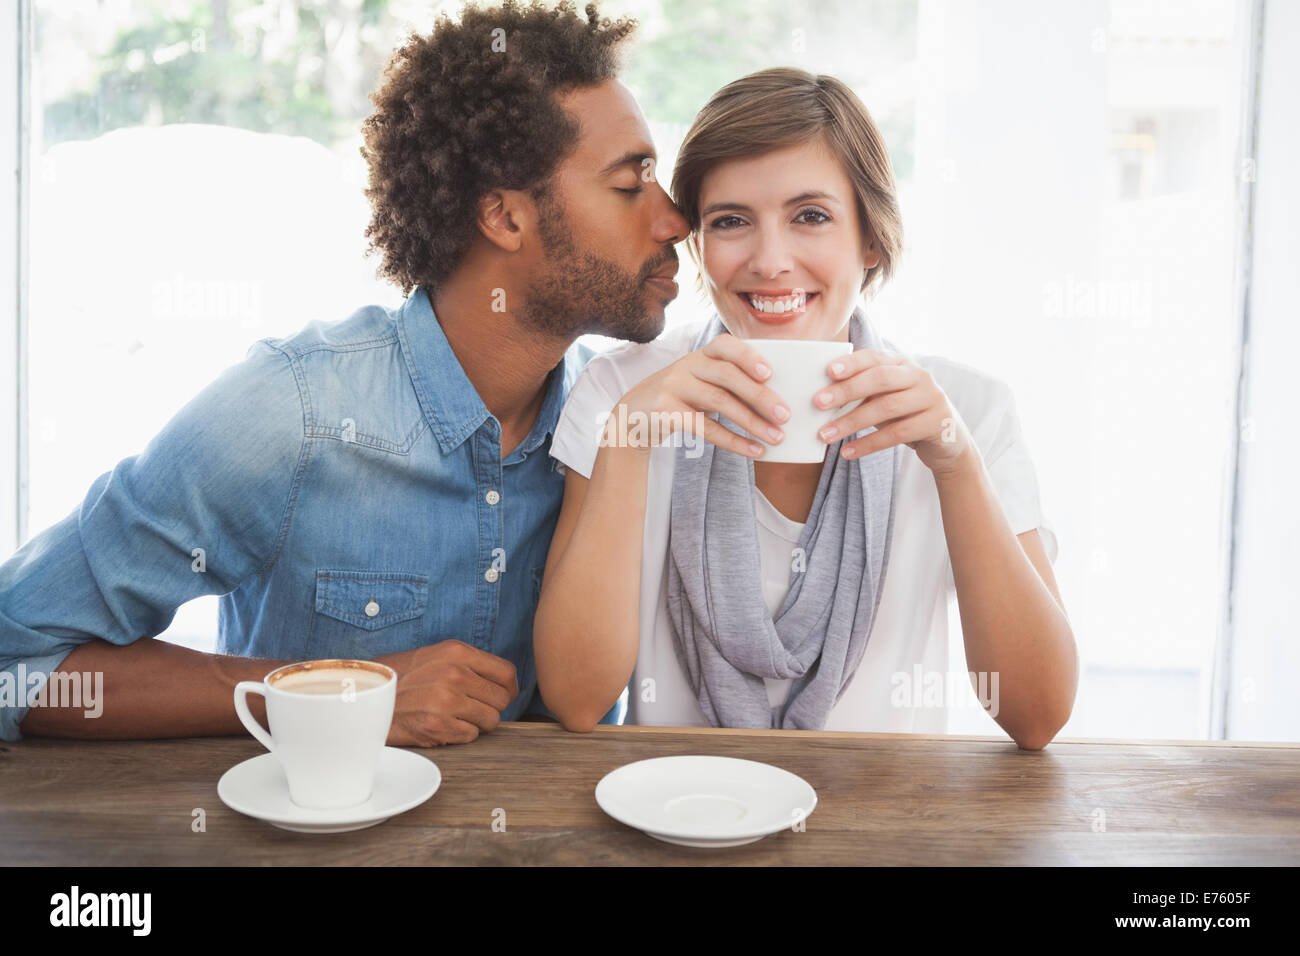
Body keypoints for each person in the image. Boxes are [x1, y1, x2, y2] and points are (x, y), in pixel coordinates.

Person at [0, 0, 689, 745]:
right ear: (505, 218)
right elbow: (20, 661)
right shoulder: (292, 411)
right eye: (630, 185)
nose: (674, 219)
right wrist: (335, 695)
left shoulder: (618, 426)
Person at [534, 67, 1078, 748]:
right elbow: (577, 700)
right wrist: (627, 445)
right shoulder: (623, 393)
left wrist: (956, 464)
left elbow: (1038, 714)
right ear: (698, 246)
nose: (769, 261)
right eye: (731, 222)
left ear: (871, 238)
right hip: (677, 821)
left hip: (881, 830)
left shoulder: (970, 408)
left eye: (810, 217)